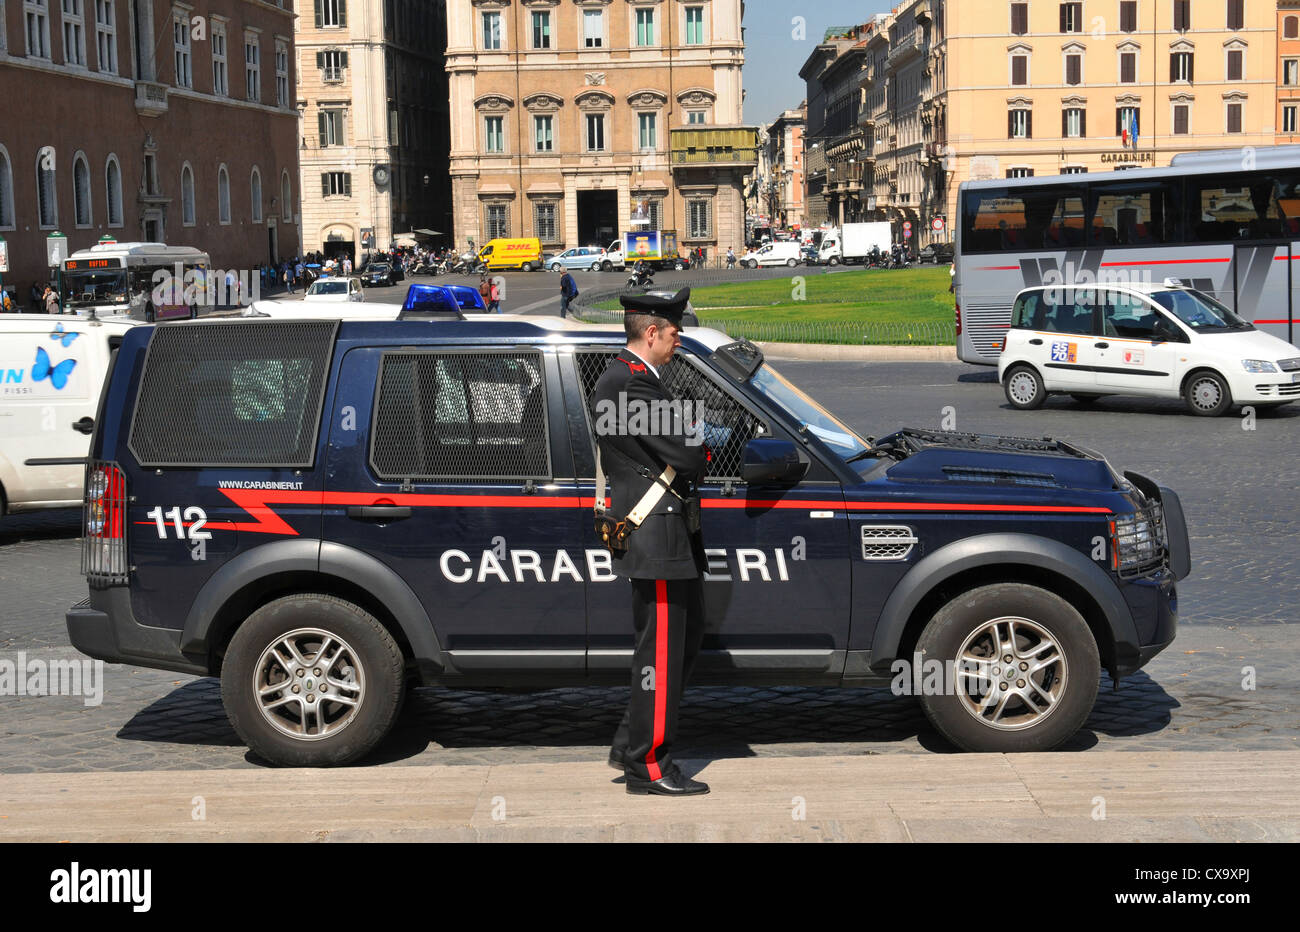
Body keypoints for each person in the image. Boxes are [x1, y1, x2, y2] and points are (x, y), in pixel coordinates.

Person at [590, 288, 709, 797]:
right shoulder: (631, 385)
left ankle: (629, 743)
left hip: (662, 534)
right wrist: (695, 435)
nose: (678, 338)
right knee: (660, 654)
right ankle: (648, 767)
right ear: (652, 332)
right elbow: (689, 454)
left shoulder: (633, 380)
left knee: (680, 643)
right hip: (656, 536)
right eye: (674, 330)